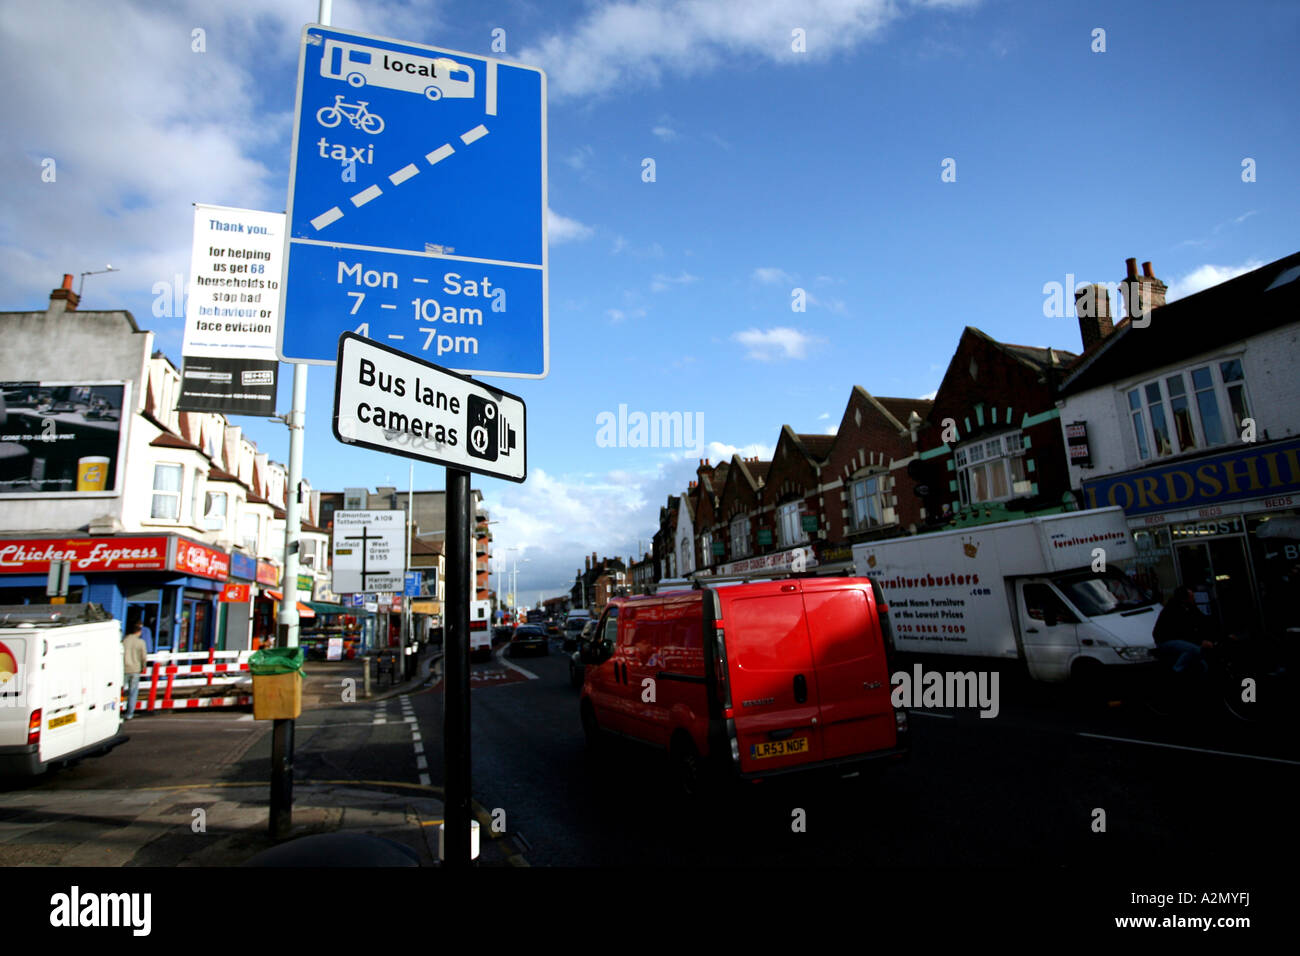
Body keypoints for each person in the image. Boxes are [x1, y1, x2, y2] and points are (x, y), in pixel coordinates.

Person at [1152, 586, 1214, 675]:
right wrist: (1200, 641)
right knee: (1194, 650)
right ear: (1185, 599)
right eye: (1192, 597)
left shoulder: (1190, 607)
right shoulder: (1173, 609)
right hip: (1166, 640)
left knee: (1202, 663)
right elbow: (1184, 631)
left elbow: (1202, 621)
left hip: (1179, 638)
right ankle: (1176, 670)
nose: (1194, 599)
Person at [122, 619, 148, 719]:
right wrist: (143, 667)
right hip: (135, 669)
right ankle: (129, 713)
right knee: (133, 693)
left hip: (124, 669)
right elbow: (143, 657)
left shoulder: (124, 640)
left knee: (120, 691)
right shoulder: (141, 642)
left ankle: (117, 711)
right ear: (139, 631)